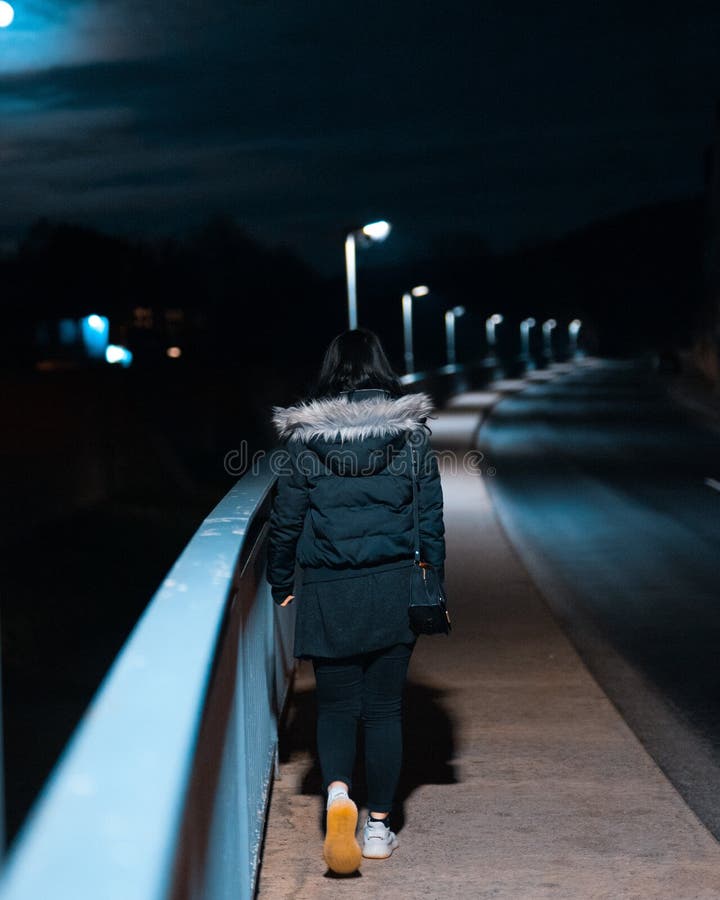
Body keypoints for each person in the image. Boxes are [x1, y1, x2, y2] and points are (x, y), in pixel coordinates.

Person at [266, 328, 446, 875]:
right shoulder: (411, 436)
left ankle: (339, 794)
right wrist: (431, 580)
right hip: (392, 585)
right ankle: (377, 827)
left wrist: (282, 581)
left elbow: (287, 520)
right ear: (382, 369)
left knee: (337, 705)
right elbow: (430, 519)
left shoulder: (303, 440)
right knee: (387, 709)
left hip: (327, 586)